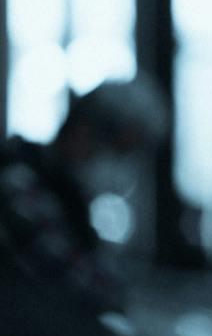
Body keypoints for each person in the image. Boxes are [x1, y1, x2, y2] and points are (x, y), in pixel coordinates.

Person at [0, 75, 169, 312]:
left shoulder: (68, 196)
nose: (119, 168)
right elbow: (75, 280)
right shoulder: (20, 181)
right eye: (119, 153)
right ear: (83, 130)